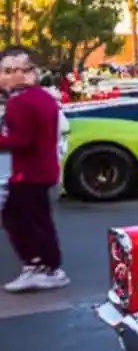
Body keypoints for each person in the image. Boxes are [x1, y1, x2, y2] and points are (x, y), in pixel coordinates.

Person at [0, 47, 68, 292]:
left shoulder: (20, 102)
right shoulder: (44, 97)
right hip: (44, 170)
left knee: (17, 219)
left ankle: (37, 266)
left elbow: (20, 141)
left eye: (9, 71)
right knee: (39, 220)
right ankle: (50, 267)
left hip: (28, 173)